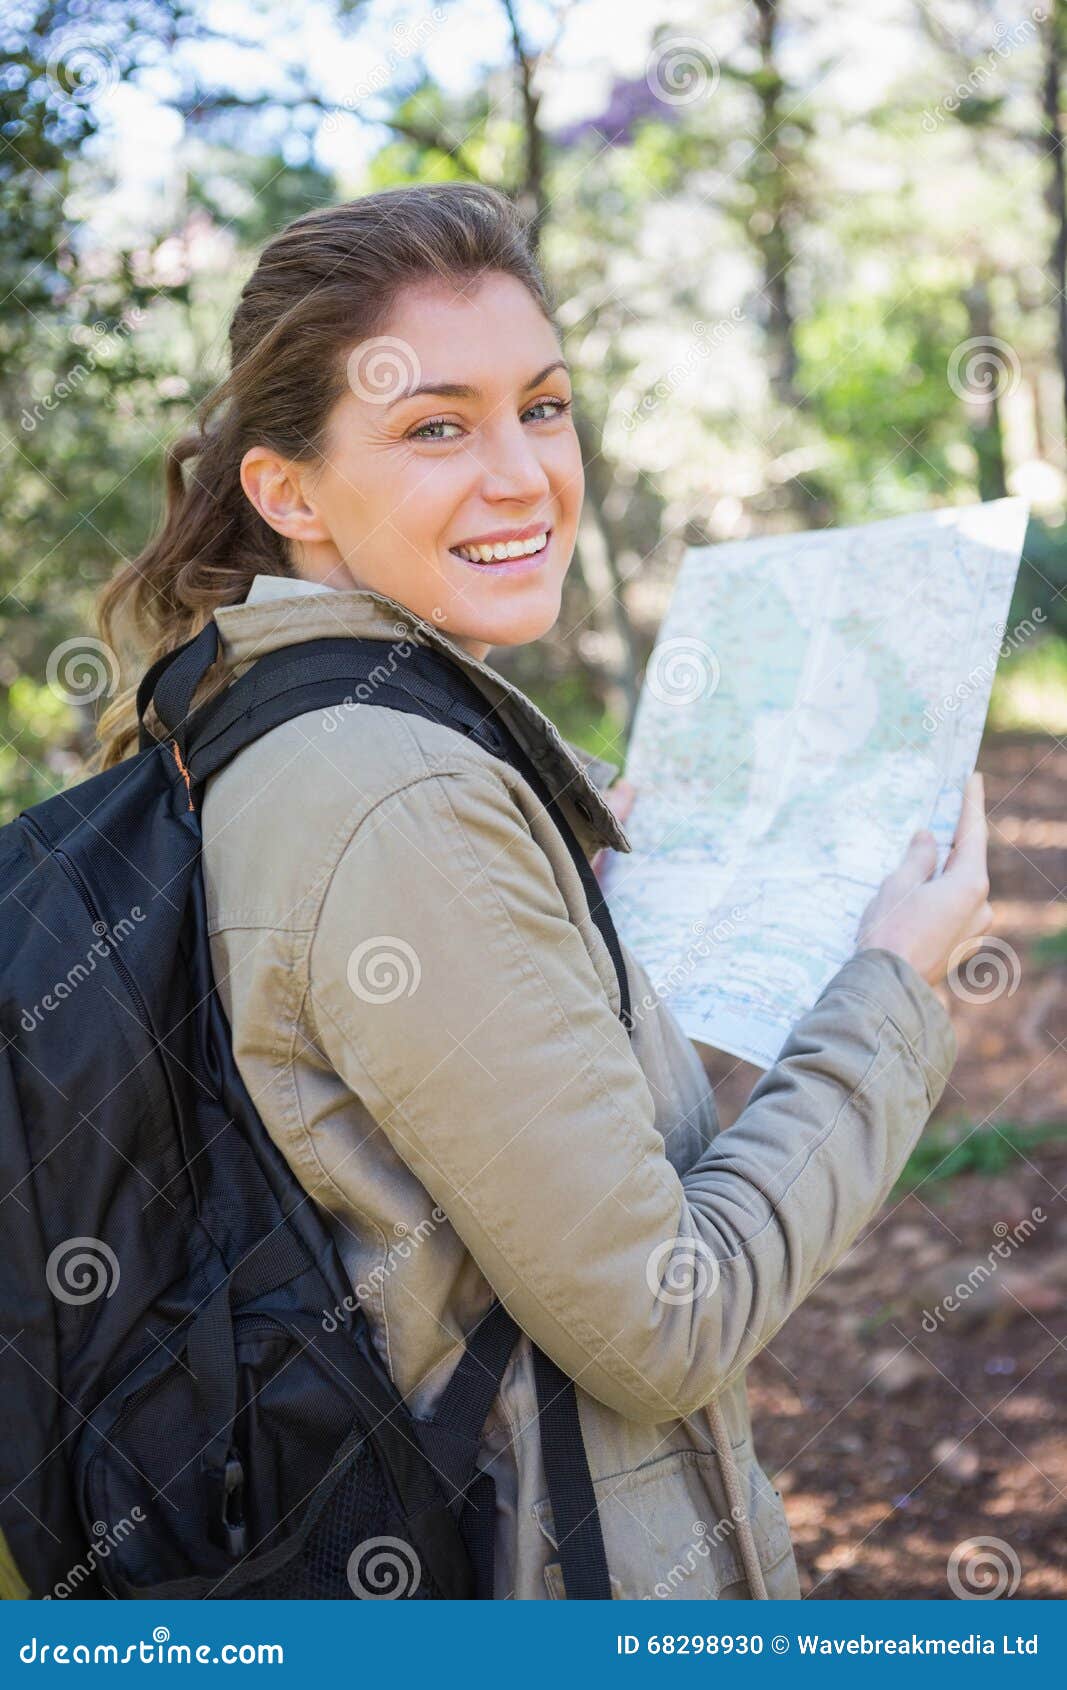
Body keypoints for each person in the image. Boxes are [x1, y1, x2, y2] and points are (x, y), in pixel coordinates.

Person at [94, 182, 991, 1601]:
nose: (522, 475)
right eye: (435, 426)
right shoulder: (398, 791)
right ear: (288, 490)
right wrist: (894, 991)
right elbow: (667, 1322)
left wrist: (571, 908)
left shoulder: (286, 725)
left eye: (545, 406)